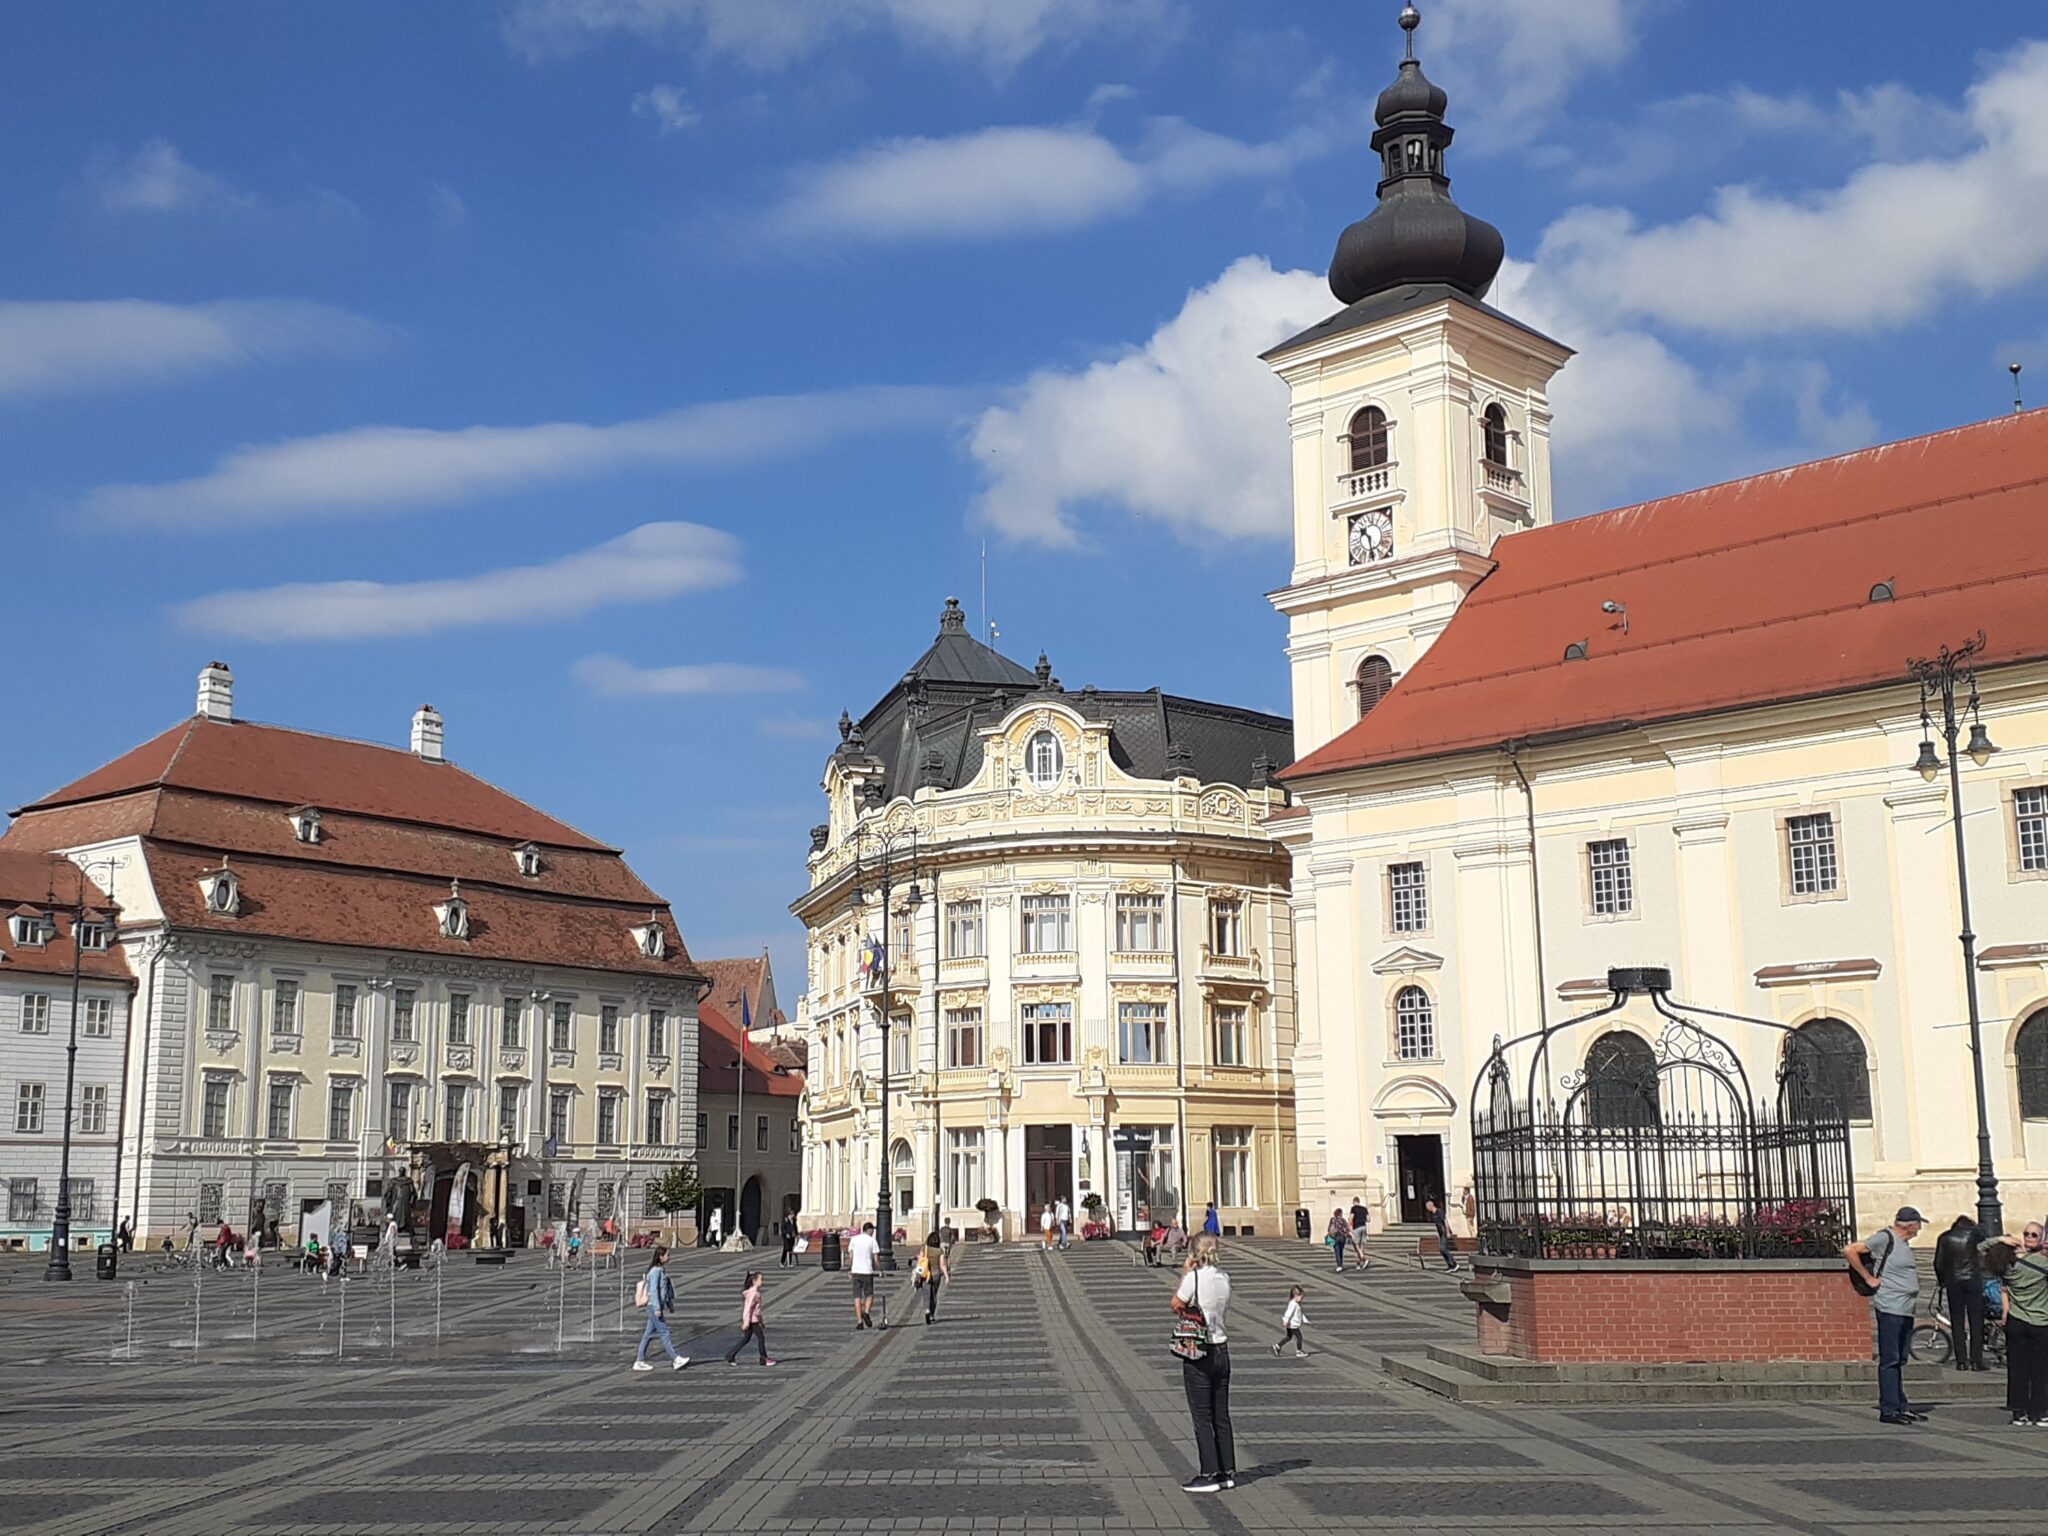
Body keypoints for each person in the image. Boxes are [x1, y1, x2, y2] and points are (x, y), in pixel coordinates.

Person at [1843, 1206, 1927, 1425]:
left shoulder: (1904, 1244)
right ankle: (1889, 1409)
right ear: (1911, 1225)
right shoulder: (1884, 1237)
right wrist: (1868, 1278)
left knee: (1899, 1358)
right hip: (1890, 1307)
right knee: (1889, 1359)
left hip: (1905, 1308)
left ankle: (1901, 1405)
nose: (1919, 1229)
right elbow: (1850, 1250)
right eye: (1918, 1224)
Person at [1172, 1232, 1236, 1493]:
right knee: (1221, 1414)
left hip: (1199, 1351)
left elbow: (1176, 1304)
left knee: (1201, 1415)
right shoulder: (1224, 1278)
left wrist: (1185, 1274)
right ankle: (1227, 1471)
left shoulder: (1195, 1278)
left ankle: (1208, 1473)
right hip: (1222, 1348)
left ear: (1195, 1253)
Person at [1985, 1223, 2048, 1425]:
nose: (2029, 1237)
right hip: (2040, 1321)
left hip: (2016, 1320)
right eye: (2028, 1234)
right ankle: (2040, 1412)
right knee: (2040, 1370)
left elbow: (1979, 1248)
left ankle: (2019, 1413)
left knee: (2017, 1369)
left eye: (2032, 1234)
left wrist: (1999, 1240)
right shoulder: (2041, 1264)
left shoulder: (2006, 1264)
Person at [1934, 1214, 1989, 1372]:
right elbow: (1986, 1246)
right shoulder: (1974, 1234)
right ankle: (1976, 1360)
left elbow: (1938, 1262)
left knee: (1957, 1322)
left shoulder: (1944, 1237)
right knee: (1976, 1321)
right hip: (1972, 1280)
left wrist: (1942, 1280)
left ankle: (1961, 1361)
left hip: (1953, 1282)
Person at [632, 1245, 689, 1371]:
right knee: (664, 1332)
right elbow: (654, 1290)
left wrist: (669, 1305)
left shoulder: (660, 1270)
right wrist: (657, 1308)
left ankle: (639, 1360)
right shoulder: (655, 1272)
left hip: (656, 1306)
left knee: (648, 1334)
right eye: (667, 1255)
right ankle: (675, 1358)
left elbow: (665, 1291)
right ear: (660, 1257)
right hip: (653, 1306)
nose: (669, 1257)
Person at [724, 1270, 777, 1366]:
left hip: (754, 1320)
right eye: (761, 1280)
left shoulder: (755, 1292)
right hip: (752, 1321)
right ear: (754, 1281)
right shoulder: (753, 1293)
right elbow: (748, 1308)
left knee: (746, 1339)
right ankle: (763, 1359)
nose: (762, 1282)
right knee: (760, 1338)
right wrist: (746, 1322)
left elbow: (757, 1310)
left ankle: (730, 1355)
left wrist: (761, 1321)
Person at [848, 1220, 881, 1329]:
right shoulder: (872, 1241)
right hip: (867, 1271)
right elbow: (876, 1259)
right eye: (872, 1230)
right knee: (869, 1295)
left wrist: (849, 1269)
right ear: (869, 1230)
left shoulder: (854, 1239)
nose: (873, 1232)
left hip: (856, 1271)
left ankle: (859, 1322)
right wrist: (880, 1269)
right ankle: (866, 1312)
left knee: (857, 1298)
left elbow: (850, 1256)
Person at [915, 1230, 951, 1324]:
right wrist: (947, 1276)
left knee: (926, 1294)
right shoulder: (940, 1251)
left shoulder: (924, 1248)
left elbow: (920, 1262)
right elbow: (942, 1265)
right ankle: (931, 1315)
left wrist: (917, 1273)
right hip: (936, 1275)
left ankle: (927, 1310)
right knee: (934, 1295)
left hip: (925, 1274)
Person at [1272, 1284, 1308, 1358]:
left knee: (1289, 1337)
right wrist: (1286, 1320)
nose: (1302, 1299)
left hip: (1291, 1325)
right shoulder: (1293, 1304)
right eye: (1301, 1297)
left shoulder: (1296, 1304)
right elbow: (1288, 1313)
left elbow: (1299, 1313)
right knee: (1299, 1337)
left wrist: (1305, 1319)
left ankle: (1278, 1346)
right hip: (1293, 1325)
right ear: (1296, 1296)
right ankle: (1299, 1351)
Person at [1424, 1197, 1458, 1272]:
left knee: (1443, 1249)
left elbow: (1445, 1221)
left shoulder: (1439, 1212)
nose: (1427, 1209)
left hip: (1444, 1232)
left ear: (1431, 1206)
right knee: (1441, 1250)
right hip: (1440, 1233)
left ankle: (1454, 1264)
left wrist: (1448, 1232)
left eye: (1427, 1207)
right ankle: (1450, 1265)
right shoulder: (1433, 1214)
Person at [1348, 1197, 1372, 1271]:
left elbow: (1351, 1218)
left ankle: (1363, 1258)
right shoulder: (1364, 1209)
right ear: (1359, 1201)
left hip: (1357, 1227)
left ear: (1354, 1202)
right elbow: (1368, 1219)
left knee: (1356, 1244)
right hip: (1364, 1227)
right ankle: (1359, 1264)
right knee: (1362, 1245)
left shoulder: (1353, 1208)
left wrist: (1349, 1227)